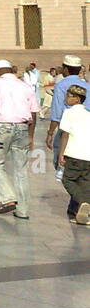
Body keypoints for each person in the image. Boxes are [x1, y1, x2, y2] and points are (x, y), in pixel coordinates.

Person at [0, 59, 38, 220]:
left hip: (2, 127)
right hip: (22, 128)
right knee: (21, 170)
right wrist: (31, 136)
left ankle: (8, 198)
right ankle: (23, 210)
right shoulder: (25, 86)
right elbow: (33, 113)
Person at [54, 83, 90, 225]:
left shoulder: (68, 113)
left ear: (76, 98)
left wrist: (61, 154)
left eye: (68, 96)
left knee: (67, 179)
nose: (66, 98)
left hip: (74, 154)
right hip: (88, 155)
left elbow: (65, 135)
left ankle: (83, 203)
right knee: (85, 183)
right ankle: (83, 214)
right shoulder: (88, 114)